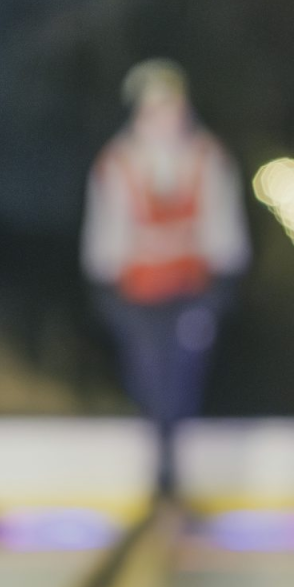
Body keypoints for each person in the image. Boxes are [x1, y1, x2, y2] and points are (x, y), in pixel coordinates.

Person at [81, 61, 250, 496]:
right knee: (148, 378)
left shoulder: (208, 157)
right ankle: (162, 470)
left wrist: (223, 286)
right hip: (137, 295)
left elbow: (222, 227)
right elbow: (106, 231)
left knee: (182, 380)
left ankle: (169, 471)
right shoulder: (118, 162)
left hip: (191, 292)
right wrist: (105, 290)